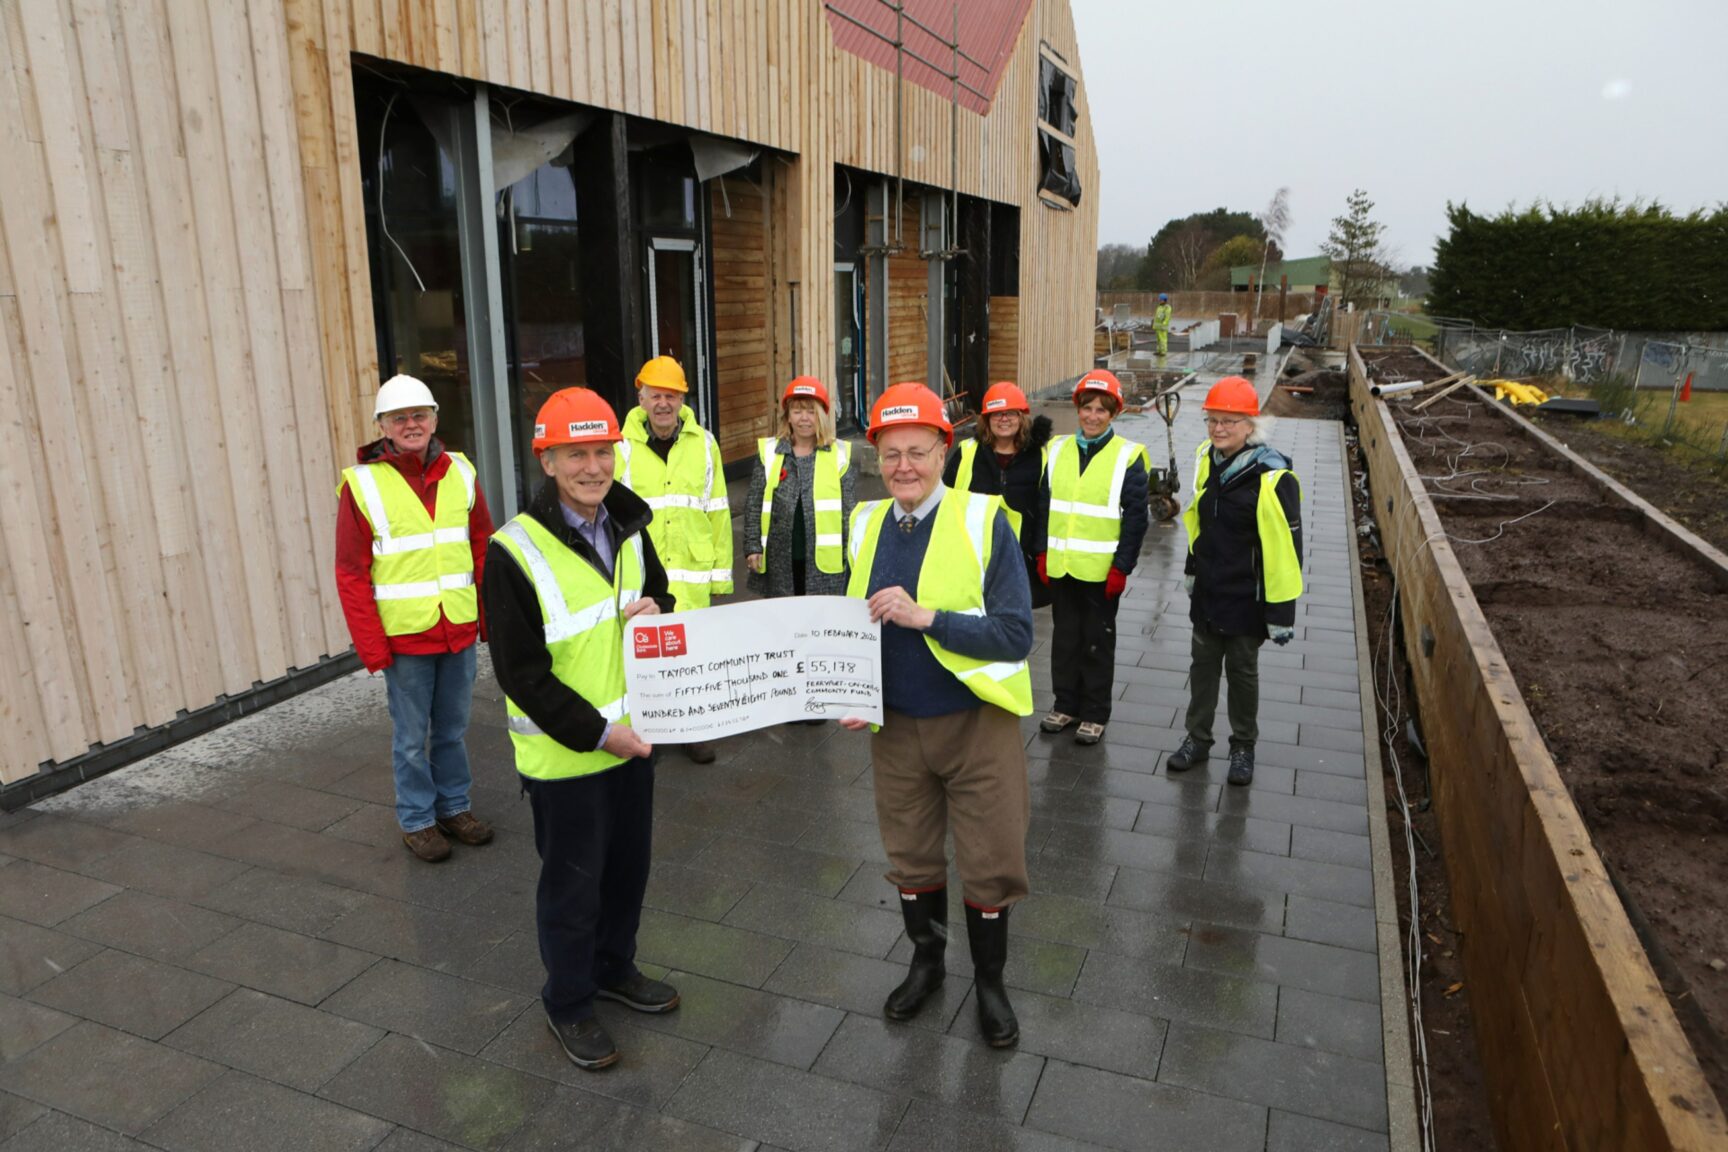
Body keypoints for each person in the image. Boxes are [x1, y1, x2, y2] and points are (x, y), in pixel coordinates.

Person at [484, 387, 681, 1071]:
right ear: (547, 458)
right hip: (567, 760)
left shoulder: (629, 524)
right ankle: (568, 1000)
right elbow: (522, 673)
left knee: (628, 873)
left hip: (634, 743)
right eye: (577, 454)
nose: (593, 467)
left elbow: (661, 595)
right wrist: (600, 733)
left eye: (602, 452)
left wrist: (657, 610)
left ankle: (613, 968)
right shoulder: (514, 551)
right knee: (572, 887)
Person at [839, 382, 1035, 1048]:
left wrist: (930, 620)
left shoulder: (986, 521)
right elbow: (843, 627)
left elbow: (1016, 635)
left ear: (945, 450)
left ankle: (990, 983)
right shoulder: (865, 523)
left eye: (917, 452)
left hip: (976, 727)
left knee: (990, 860)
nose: (903, 467)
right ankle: (926, 962)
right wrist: (843, 687)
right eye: (890, 454)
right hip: (893, 727)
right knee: (912, 857)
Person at [335, 374, 495, 863]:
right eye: (399, 418)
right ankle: (418, 820)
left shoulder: (461, 471)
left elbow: (483, 547)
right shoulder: (362, 486)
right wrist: (372, 646)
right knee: (409, 739)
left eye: (419, 415)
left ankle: (453, 807)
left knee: (451, 730)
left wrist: (489, 621)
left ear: (434, 419)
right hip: (405, 639)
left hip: (458, 631)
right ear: (382, 426)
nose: (411, 425)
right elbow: (351, 572)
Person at [1166, 376, 1303, 787]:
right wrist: (1192, 571)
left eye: (1229, 421)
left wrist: (1281, 613)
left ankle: (1244, 746)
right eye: (1213, 420)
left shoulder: (1272, 477)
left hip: (1247, 597)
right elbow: (1198, 525)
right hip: (1209, 591)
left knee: (1242, 672)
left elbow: (1286, 553)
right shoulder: (1207, 460)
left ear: (1250, 426)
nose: (1218, 429)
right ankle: (1198, 739)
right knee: (1203, 668)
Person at [617, 355, 732, 764]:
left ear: (683, 398)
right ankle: (647, 733)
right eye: (655, 395)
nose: (663, 403)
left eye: (671, 395)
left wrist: (721, 577)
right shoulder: (620, 447)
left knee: (692, 659)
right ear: (641, 397)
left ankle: (693, 730)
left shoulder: (705, 444)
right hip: (644, 574)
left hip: (691, 572)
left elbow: (718, 510)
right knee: (644, 657)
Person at [1038, 369, 1150, 746]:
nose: (1092, 416)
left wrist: (1122, 567)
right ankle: (1065, 705)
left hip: (1101, 573)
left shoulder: (1129, 457)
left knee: (1097, 641)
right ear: (1078, 409)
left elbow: (1136, 518)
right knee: (1065, 639)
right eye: (1087, 408)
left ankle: (1095, 713)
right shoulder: (1055, 449)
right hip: (1063, 566)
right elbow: (1043, 506)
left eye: (1102, 410)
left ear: (1114, 414)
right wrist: (1041, 552)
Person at [743, 376, 857, 600]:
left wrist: (851, 555)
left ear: (822, 415)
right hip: (779, 558)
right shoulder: (770, 452)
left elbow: (849, 512)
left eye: (811, 411)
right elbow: (754, 504)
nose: (804, 418)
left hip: (824, 562)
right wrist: (752, 546)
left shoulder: (839, 454)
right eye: (797, 411)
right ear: (788, 416)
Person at [942, 381, 1052, 609]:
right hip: (974, 557)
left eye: (1010, 413)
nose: (1003, 419)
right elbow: (944, 500)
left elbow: (1046, 511)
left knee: (1012, 623)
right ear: (986, 420)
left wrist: (1042, 552)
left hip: (1020, 558)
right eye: (996, 414)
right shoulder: (967, 453)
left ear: (1021, 417)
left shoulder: (1041, 457)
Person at [1153, 293, 1173, 357]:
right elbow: (1157, 317)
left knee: (1163, 340)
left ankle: (1163, 351)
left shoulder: (1167, 307)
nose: (1160, 301)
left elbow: (1167, 317)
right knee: (1158, 340)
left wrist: (1163, 324)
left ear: (1164, 300)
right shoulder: (1159, 307)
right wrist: (1154, 325)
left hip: (1162, 327)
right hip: (1158, 327)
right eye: (1160, 300)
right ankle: (1159, 351)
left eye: (1161, 300)